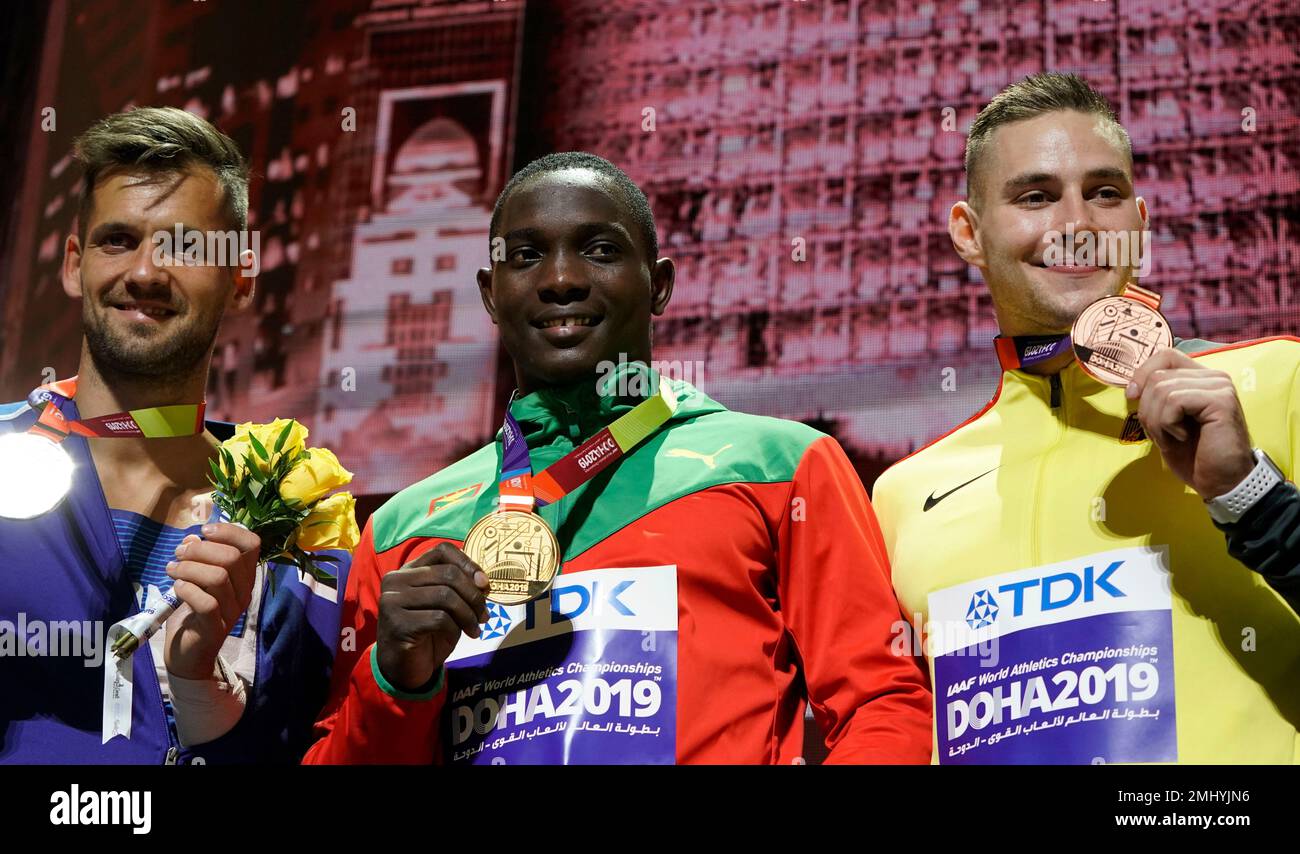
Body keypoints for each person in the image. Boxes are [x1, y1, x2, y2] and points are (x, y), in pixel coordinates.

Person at [304, 152, 931, 764]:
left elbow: (883, 703)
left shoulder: (780, 465)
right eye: (525, 257)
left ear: (658, 284)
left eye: (600, 250)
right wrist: (395, 678)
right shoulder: (399, 532)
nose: (560, 280)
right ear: (491, 296)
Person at [871, 73, 1300, 764]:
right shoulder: (901, 498)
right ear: (968, 233)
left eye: (1104, 192)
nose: (1076, 225)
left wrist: (1249, 497)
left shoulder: (1276, 383)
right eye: (1035, 197)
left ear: (1138, 221)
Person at [0, 107, 347, 763]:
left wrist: (199, 687)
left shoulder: (296, 523)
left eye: (185, 247)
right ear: (75, 264)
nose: (146, 273)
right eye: (117, 240)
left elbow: (298, 749)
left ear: (240, 277)